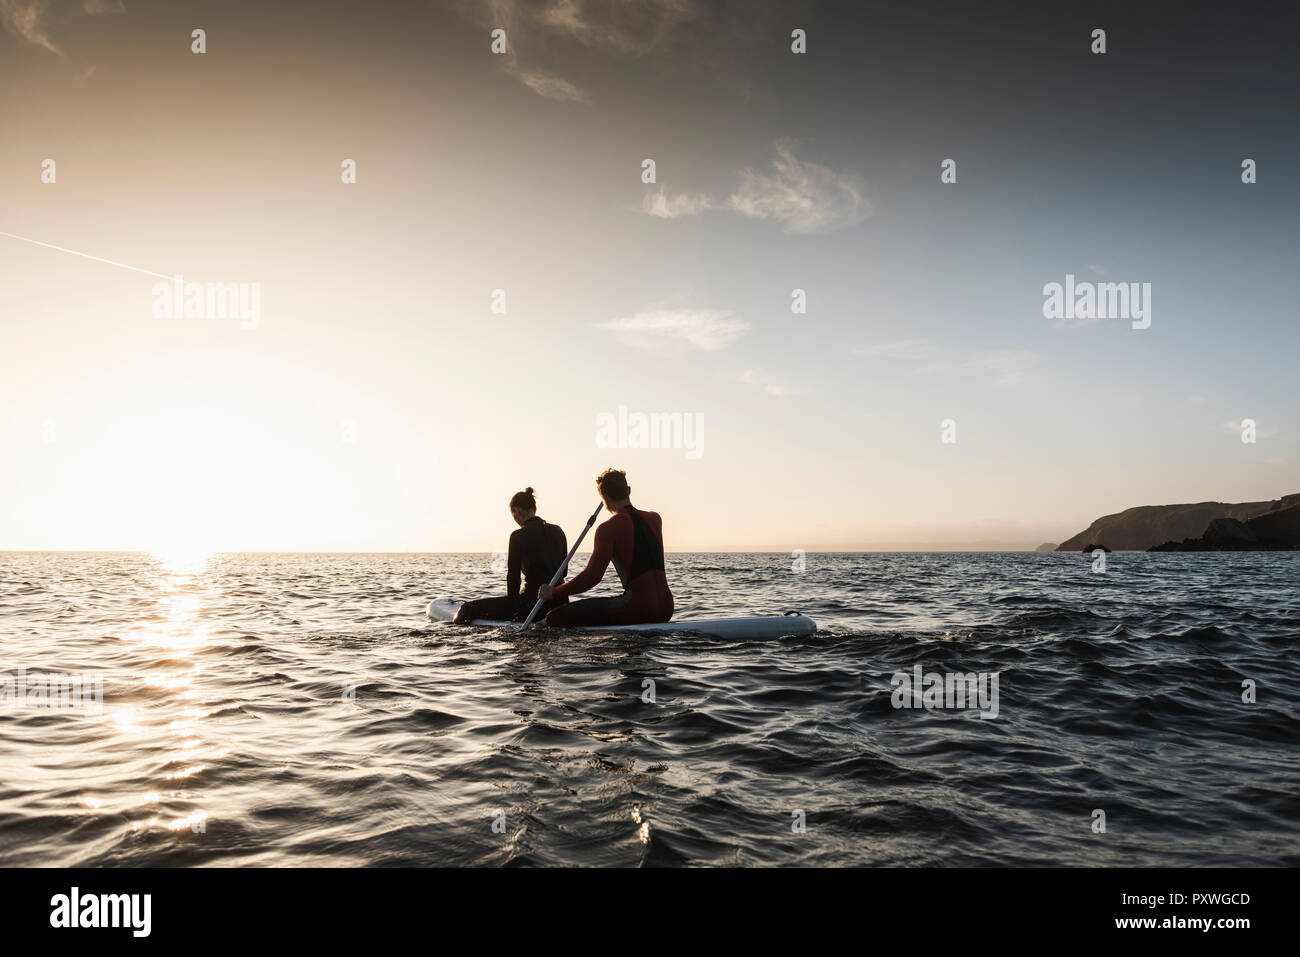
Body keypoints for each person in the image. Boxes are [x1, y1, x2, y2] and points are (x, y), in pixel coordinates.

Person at [538, 469, 673, 627]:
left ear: (605, 498)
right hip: (667, 607)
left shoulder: (608, 528)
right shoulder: (655, 518)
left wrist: (554, 592)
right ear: (629, 491)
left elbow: (592, 577)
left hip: (638, 608)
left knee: (554, 617)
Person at [453, 487, 568, 624]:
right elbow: (564, 572)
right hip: (560, 602)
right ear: (533, 508)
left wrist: (511, 606)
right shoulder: (558, 531)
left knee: (467, 609)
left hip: (533, 607)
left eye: (513, 515)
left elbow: (513, 578)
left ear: (517, 511)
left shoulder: (517, 536)